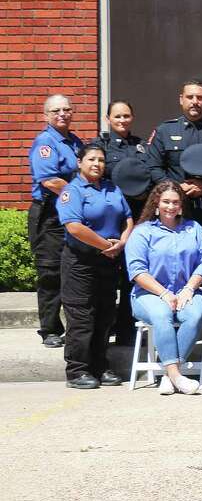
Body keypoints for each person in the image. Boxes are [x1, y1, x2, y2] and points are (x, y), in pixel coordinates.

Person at [56, 144, 133, 388]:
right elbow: (74, 227)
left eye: (100, 160)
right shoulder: (73, 191)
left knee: (105, 315)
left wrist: (121, 242)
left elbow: (128, 218)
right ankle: (77, 370)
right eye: (91, 159)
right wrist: (104, 245)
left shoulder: (112, 187)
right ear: (80, 163)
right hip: (81, 262)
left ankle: (100, 366)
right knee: (82, 317)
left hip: (109, 261)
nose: (97, 164)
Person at [125, 181, 202, 395]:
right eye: (166, 202)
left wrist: (189, 289)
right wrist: (163, 293)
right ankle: (177, 376)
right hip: (149, 294)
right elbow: (136, 270)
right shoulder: (142, 232)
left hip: (187, 291)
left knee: (195, 314)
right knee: (162, 315)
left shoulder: (194, 229)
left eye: (175, 202)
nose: (171, 206)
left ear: (181, 204)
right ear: (156, 203)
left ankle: (170, 375)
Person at [143, 79, 202, 246]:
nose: (195, 101)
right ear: (181, 99)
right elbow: (153, 166)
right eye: (190, 97)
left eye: (200, 97)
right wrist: (175, 187)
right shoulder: (165, 131)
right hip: (176, 210)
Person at [27, 94, 84, 348]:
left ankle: (74, 325)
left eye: (67, 109)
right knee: (50, 272)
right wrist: (80, 197)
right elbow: (49, 180)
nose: (62, 114)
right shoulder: (46, 142)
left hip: (68, 212)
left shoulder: (74, 142)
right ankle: (49, 329)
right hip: (50, 214)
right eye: (56, 110)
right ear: (46, 116)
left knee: (73, 268)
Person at [91, 100, 145, 343]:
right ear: (108, 118)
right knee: (106, 277)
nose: (122, 120)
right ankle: (104, 328)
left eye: (126, 116)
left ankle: (126, 328)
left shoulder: (142, 146)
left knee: (130, 275)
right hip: (110, 220)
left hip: (136, 218)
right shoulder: (99, 146)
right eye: (117, 116)